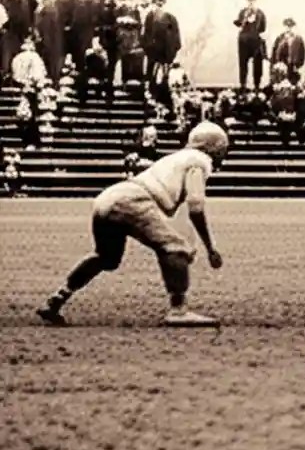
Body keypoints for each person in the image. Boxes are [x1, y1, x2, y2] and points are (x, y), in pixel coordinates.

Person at [37, 122, 231, 327]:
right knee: (176, 249)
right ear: (213, 147)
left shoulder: (175, 158)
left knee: (106, 258)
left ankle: (57, 299)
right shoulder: (199, 160)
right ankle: (178, 310)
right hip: (133, 200)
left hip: (109, 197)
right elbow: (196, 206)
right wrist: (210, 247)